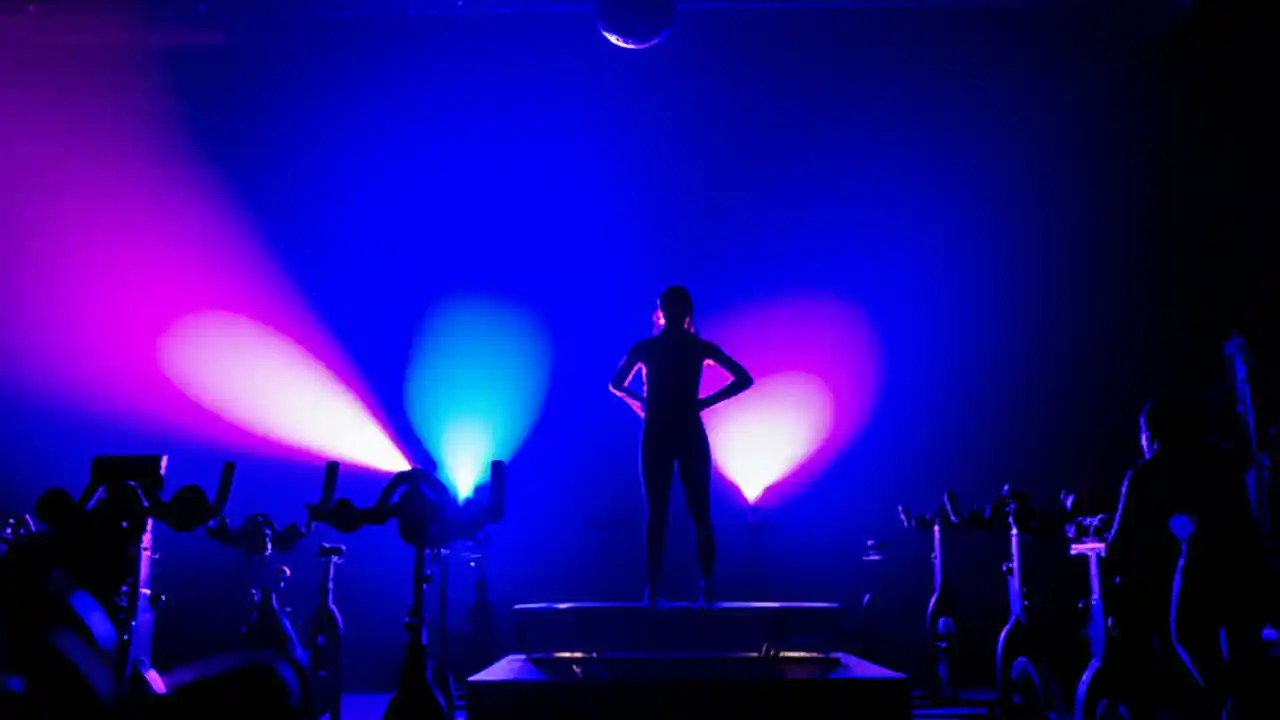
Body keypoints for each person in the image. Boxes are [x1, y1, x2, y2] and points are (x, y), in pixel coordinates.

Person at [1106, 397, 1271, 718]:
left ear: (1151, 435)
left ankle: (1230, 702)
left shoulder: (1147, 474)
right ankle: (1246, 703)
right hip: (1251, 564)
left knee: (1187, 632)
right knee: (1243, 646)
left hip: (1205, 564)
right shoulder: (1221, 461)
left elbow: (1119, 544)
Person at [609, 286, 753, 605]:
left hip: (661, 430)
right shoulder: (695, 347)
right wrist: (703, 403)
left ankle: (658, 589)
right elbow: (744, 378)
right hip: (684, 428)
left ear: (663, 311)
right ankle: (703, 587)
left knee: (659, 514)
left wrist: (643, 401)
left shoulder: (650, 347)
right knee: (697, 512)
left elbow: (616, 383)